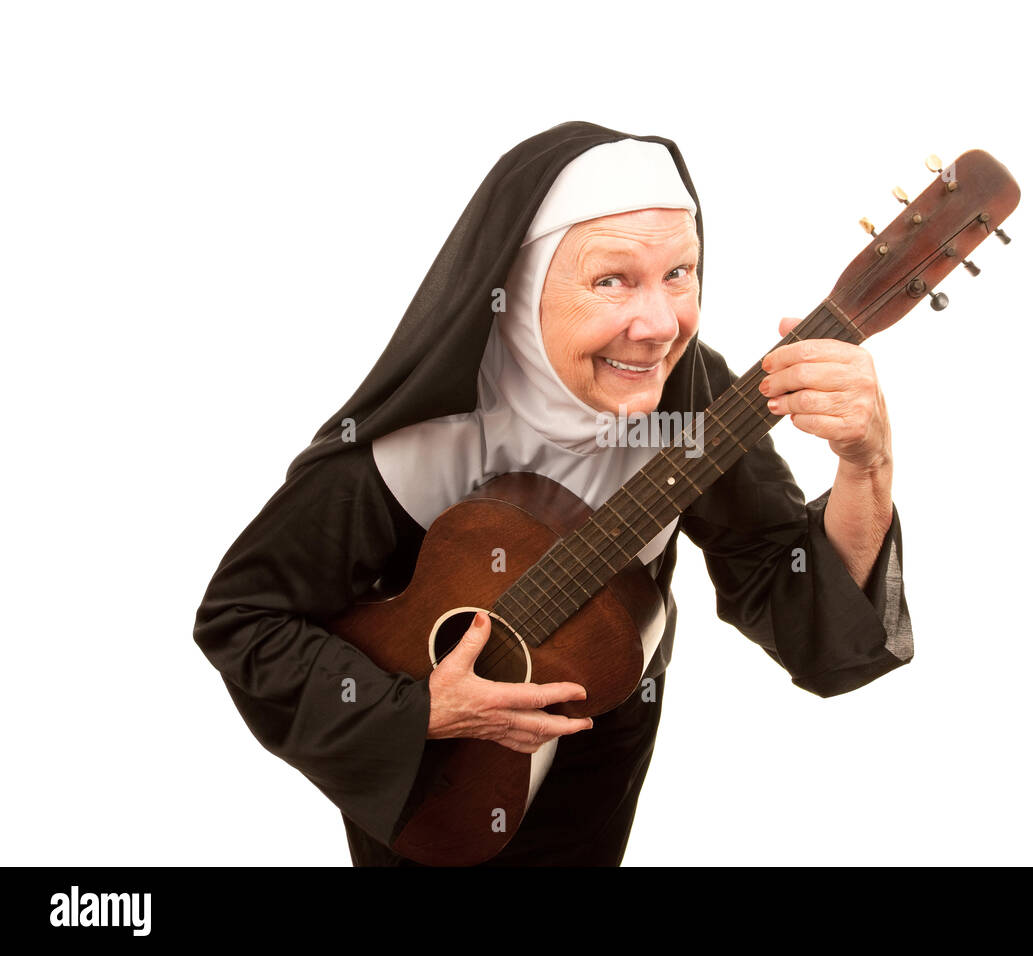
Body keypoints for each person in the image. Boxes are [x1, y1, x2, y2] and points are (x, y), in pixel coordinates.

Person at [193, 121, 914, 866]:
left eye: (680, 274)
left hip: (598, 760)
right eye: (613, 280)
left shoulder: (694, 401)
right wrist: (417, 711)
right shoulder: (414, 436)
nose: (661, 325)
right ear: (523, 283)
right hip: (424, 783)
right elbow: (244, 619)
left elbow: (799, 603)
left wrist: (868, 465)